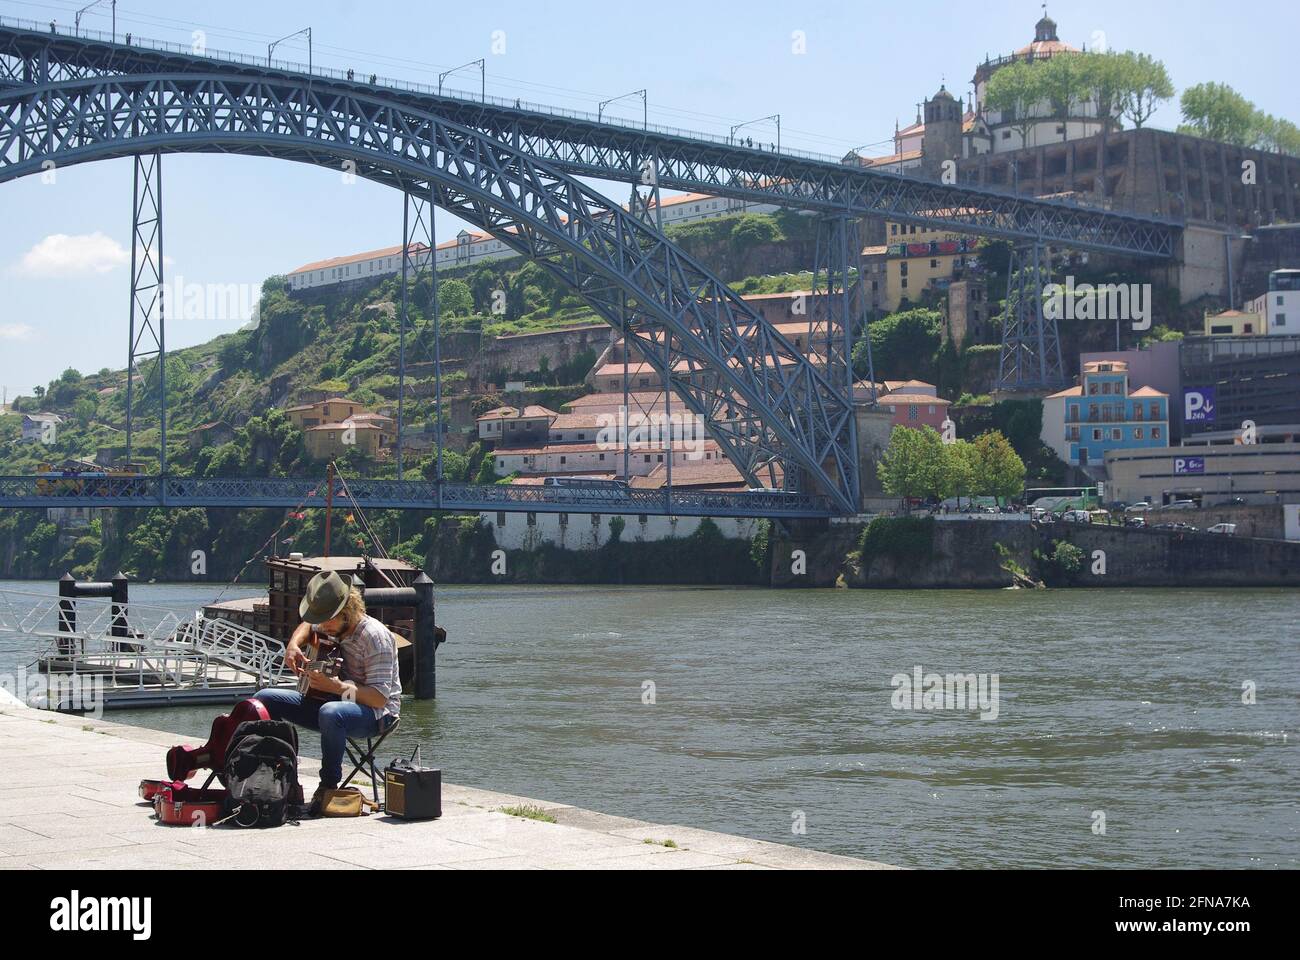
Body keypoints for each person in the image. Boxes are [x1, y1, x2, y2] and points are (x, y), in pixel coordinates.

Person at [255, 570, 402, 812]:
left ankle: (328, 786)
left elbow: (379, 698)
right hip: (335, 701)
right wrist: (293, 645)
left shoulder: (375, 638)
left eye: (327, 621)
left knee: (331, 713)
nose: (322, 626)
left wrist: (334, 686)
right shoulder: (332, 623)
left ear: (347, 612)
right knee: (264, 699)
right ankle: (283, 778)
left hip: (377, 714)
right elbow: (307, 625)